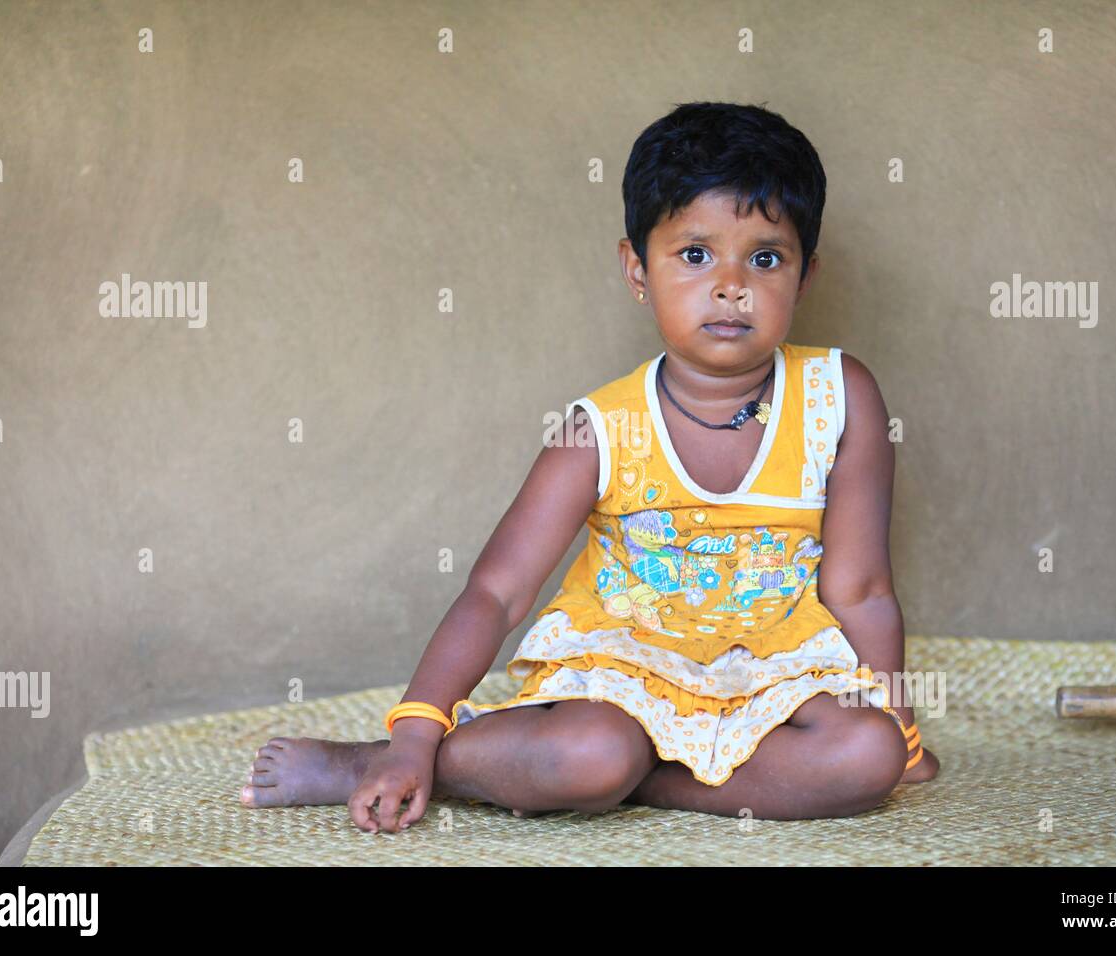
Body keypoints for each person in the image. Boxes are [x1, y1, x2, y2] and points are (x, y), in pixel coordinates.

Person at [240, 101, 939, 834]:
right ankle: (378, 759)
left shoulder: (840, 397)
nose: (732, 285)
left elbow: (860, 588)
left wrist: (903, 735)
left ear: (804, 276)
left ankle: (641, 781)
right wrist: (416, 732)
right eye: (695, 254)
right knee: (590, 752)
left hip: (770, 673)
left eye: (765, 257)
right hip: (623, 677)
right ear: (638, 270)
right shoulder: (600, 430)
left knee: (866, 755)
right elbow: (498, 592)